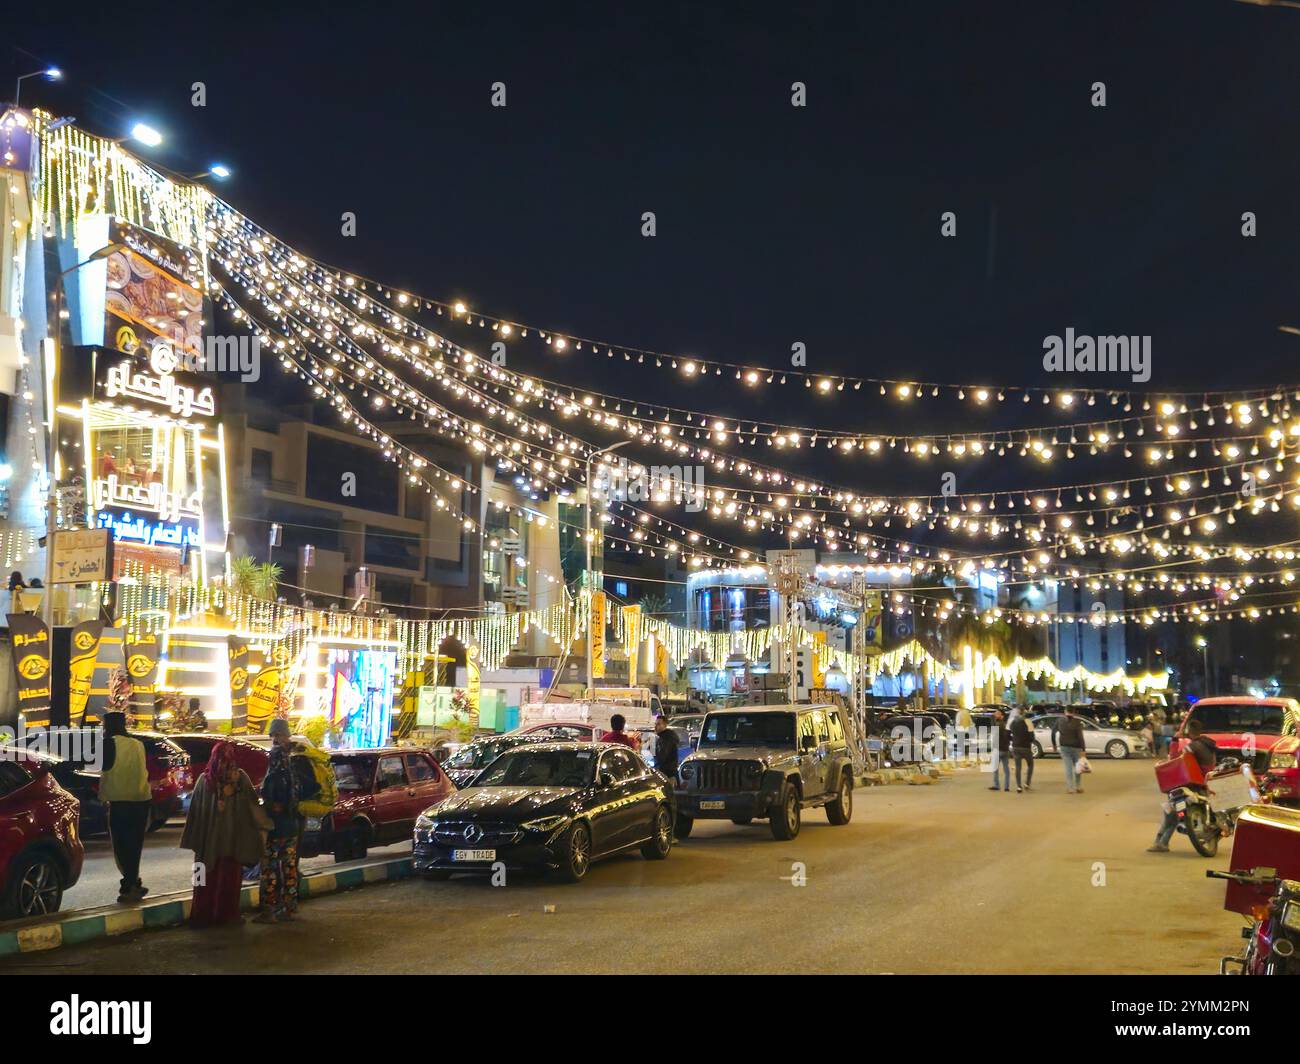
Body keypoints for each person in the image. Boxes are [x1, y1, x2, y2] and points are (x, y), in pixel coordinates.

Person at [182, 741, 272, 927]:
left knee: (200, 879)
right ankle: (227, 916)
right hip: (232, 844)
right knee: (229, 880)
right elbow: (252, 808)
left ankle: (200, 916)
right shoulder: (240, 778)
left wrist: (195, 840)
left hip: (205, 847)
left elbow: (195, 815)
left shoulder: (204, 780)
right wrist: (266, 825)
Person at [257, 719, 308, 923]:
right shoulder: (294, 762)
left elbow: (269, 790)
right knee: (289, 868)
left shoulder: (276, 759)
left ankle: (269, 910)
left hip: (275, 826)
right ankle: (289, 908)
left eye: (275, 735)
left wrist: (266, 800)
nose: (274, 739)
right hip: (292, 826)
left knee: (269, 869)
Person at [99, 711, 152, 903]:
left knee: (121, 847)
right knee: (134, 846)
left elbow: (92, 762)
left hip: (120, 802)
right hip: (142, 800)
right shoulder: (138, 744)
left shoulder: (108, 743)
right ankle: (133, 883)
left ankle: (129, 885)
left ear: (108, 726)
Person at [1148, 719, 1218, 853]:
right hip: (1203, 783)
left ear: (1189, 732)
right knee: (1175, 811)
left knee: (1171, 812)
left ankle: (1161, 842)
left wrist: (1175, 740)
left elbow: (1175, 758)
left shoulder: (1193, 746)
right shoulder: (1209, 744)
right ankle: (1162, 842)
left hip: (1191, 784)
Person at [1057, 706, 1088, 794]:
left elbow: (1053, 732)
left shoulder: (1060, 721)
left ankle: (1070, 788)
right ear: (1073, 712)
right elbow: (1080, 737)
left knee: (1068, 768)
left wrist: (1054, 744)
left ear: (1065, 711)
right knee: (1078, 767)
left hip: (1064, 747)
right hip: (1076, 748)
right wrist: (1083, 749)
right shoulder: (1078, 722)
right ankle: (1078, 787)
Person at [1009, 710, 1034, 792]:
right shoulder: (1028, 722)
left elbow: (1009, 733)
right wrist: (1029, 741)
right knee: (1030, 764)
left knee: (1018, 767)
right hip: (1026, 747)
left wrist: (1014, 740)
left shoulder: (1012, 723)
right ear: (1024, 714)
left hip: (1016, 747)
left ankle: (1019, 786)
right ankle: (1027, 783)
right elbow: (1032, 737)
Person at [988, 709, 1011, 792]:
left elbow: (994, 736)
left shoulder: (998, 725)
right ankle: (1006, 787)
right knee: (1006, 769)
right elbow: (1009, 737)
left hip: (998, 750)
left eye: (997, 714)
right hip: (1005, 750)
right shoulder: (1006, 725)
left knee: (995, 768)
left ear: (1002, 716)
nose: (995, 715)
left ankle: (996, 785)